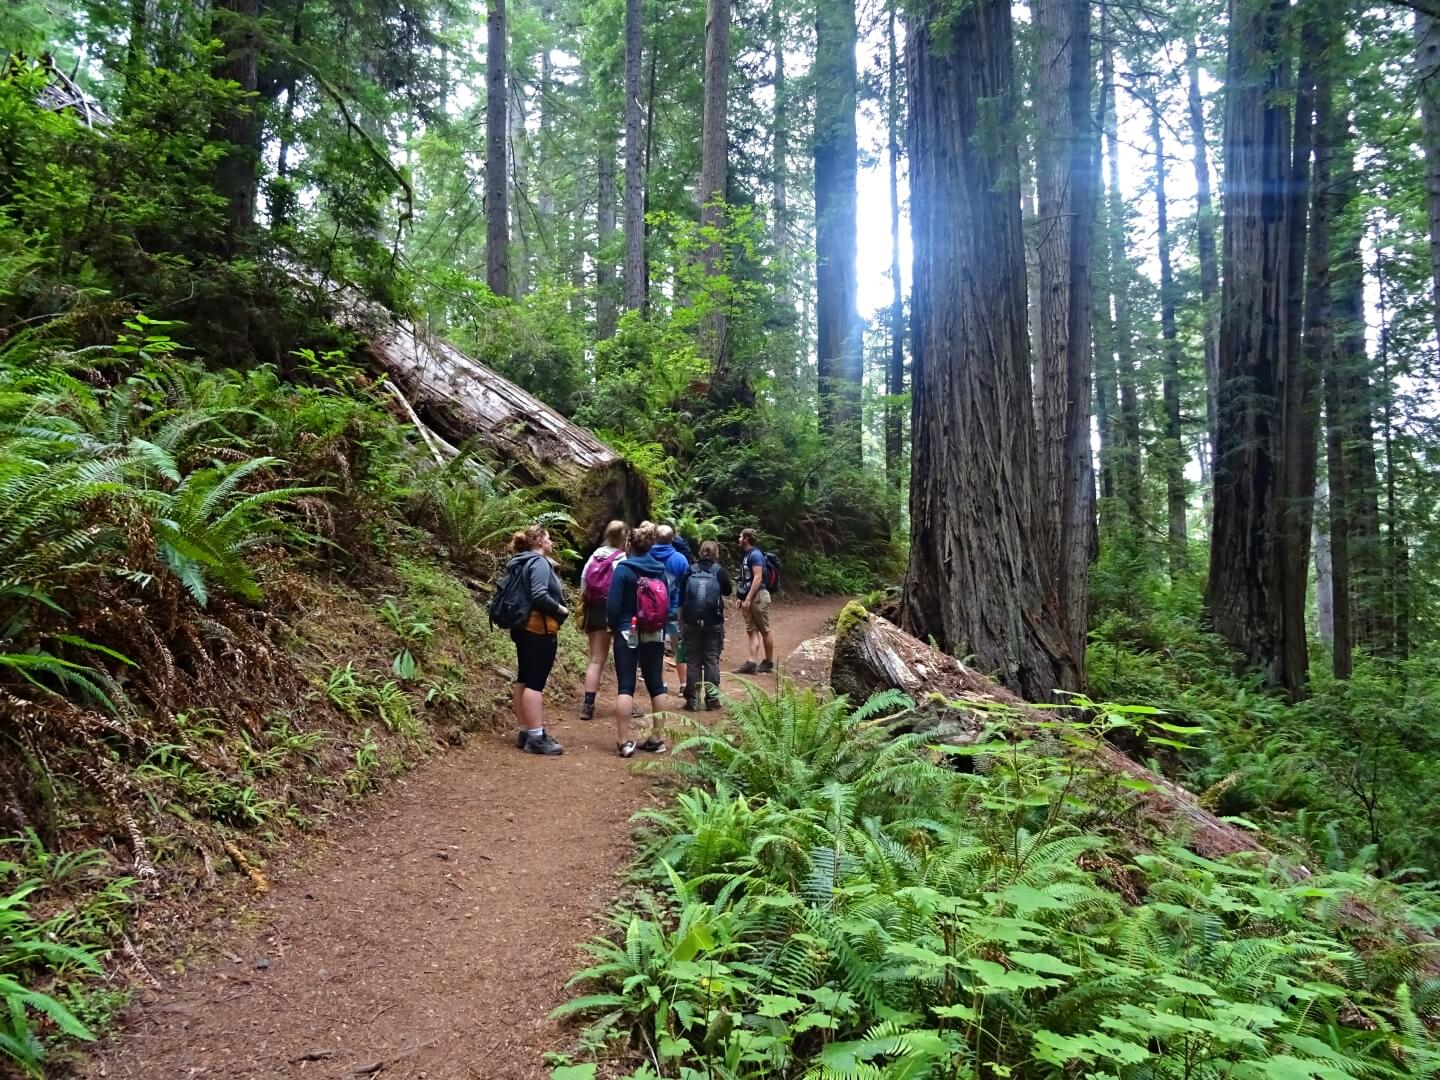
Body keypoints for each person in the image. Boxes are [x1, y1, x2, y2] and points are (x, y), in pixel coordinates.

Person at [605, 522, 672, 758]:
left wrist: (614, 625)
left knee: (626, 685)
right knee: (656, 684)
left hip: (627, 630)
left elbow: (612, 606)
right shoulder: (659, 570)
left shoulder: (624, 569)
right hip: (654, 631)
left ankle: (624, 741)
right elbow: (668, 603)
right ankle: (658, 738)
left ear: (629, 545)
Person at [504, 525, 568, 755]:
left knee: (524, 677)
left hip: (521, 626)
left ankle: (524, 731)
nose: (552, 543)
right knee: (535, 682)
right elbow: (539, 594)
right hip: (538, 628)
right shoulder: (539, 563)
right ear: (540, 540)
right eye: (549, 538)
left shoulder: (519, 561)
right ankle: (536, 737)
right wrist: (561, 609)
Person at [578, 520, 629, 721]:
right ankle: (625, 703)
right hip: (615, 613)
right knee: (623, 659)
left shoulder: (594, 556)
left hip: (595, 611)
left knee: (596, 659)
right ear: (623, 538)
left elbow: (583, 584)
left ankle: (588, 705)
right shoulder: (623, 559)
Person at [679, 541, 731, 710]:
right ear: (716, 554)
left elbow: (681, 597)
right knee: (711, 659)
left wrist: (681, 620)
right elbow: (728, 591)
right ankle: (712, 700)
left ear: (700, 552)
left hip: (691, 622)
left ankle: (692, 700)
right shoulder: (719, 572)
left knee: (693, 660)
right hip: (714, 623)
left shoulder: (690, 570)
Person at [650, 524, 691, 694]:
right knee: (679, 646)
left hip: (652, 609)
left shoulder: (647, 555)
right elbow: (687, 584)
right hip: (675, 608)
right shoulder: (680, 559)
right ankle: (684, 684)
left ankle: (661, 683)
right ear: (672, 539)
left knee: (657, 645)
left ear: (655, 537)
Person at [734, 527, 774, 675]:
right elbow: (747, 580)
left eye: (740, 537)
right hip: (749, 597)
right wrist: (741, 597)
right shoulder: (747, 555)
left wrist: (749, 598)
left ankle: (768, 662)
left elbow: (758, 578)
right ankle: (751, 662)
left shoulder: (756, 555)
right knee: (751, 630)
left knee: (764, 630)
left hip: (758, 597)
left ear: (746, 538)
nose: (738, 539)